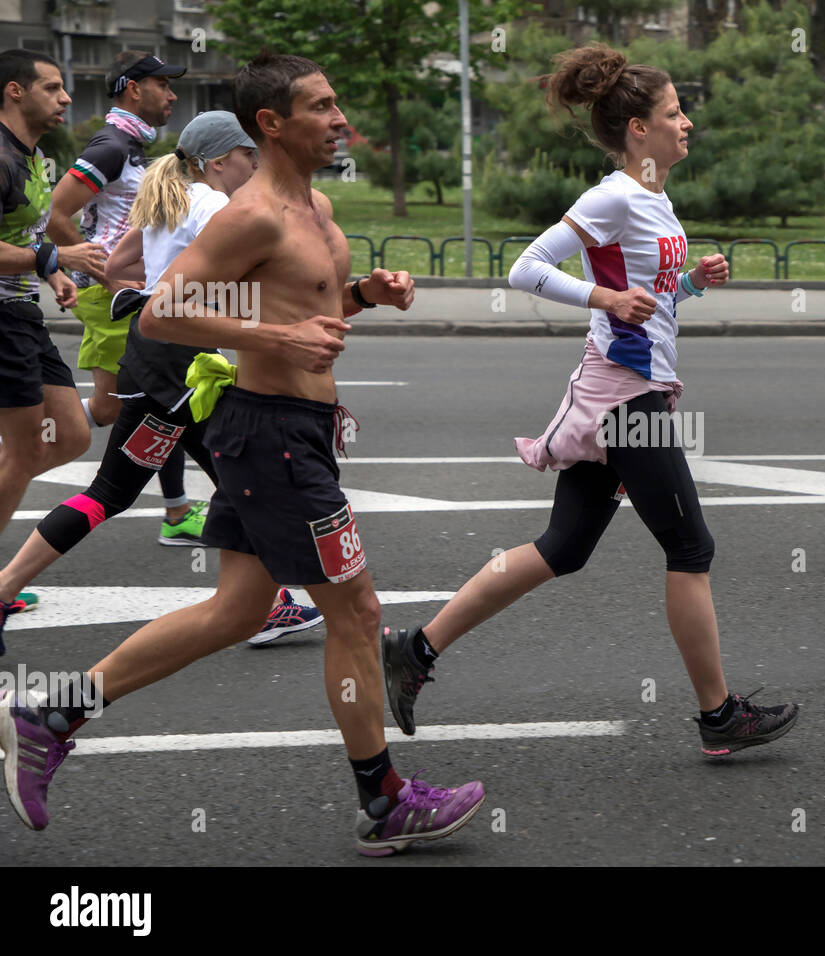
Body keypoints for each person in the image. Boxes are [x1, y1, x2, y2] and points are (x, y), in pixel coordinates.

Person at [0, 53, 484, 856]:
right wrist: (276, 337)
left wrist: (367, 294)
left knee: (238, 609)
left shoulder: (317, 206)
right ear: (271, 123)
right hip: (272, 436)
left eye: (338, 103)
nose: (339, 119)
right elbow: (161, 312)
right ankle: (386, 800)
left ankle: (50, 714)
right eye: (322, 107)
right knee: (358, 614)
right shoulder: (253, 214)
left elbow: (304, 303)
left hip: (295, 434)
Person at [380, 43, 799, 760]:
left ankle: (415, 649)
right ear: (638, 129)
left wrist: (692, 284)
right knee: (690, 546)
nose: (687, 122)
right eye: (674, 112)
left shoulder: (654, 197)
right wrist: (601, 294)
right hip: (625, 398)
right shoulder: (612, 195)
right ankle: (719, 715)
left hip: (628, 385)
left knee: (563, 548)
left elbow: (649, 298)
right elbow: (525, 269)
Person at [0, 111, 323, 653]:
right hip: (181, 367)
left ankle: (271, 601)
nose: (255, 166)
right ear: (222, 160)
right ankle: (5, 586)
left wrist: (150, 298)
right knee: (118, 491)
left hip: (166, 361)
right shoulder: (218, 207)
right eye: (249, 156)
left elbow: (117, 266)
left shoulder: (167, 204)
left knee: (232, 477)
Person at [46, 51, 208, 548]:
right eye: (163, 84)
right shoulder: (112, 146)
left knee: (130, 404)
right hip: (120, 296)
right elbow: (56, 210)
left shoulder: (133, 146)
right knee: (165, 396)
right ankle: (178, 511)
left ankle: (177, 510)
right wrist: (86, 264)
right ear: (133, 89)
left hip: (127, 292)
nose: (172, 94)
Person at [0, 50, 106, 614]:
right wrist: (54, 256)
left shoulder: (33, 156)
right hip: (0, 321)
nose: (66, 98)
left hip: (21, 315)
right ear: (15, 91)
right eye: (54, 87)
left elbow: (29, 239)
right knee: (23, 452)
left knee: (69, 434)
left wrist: (55, 273)